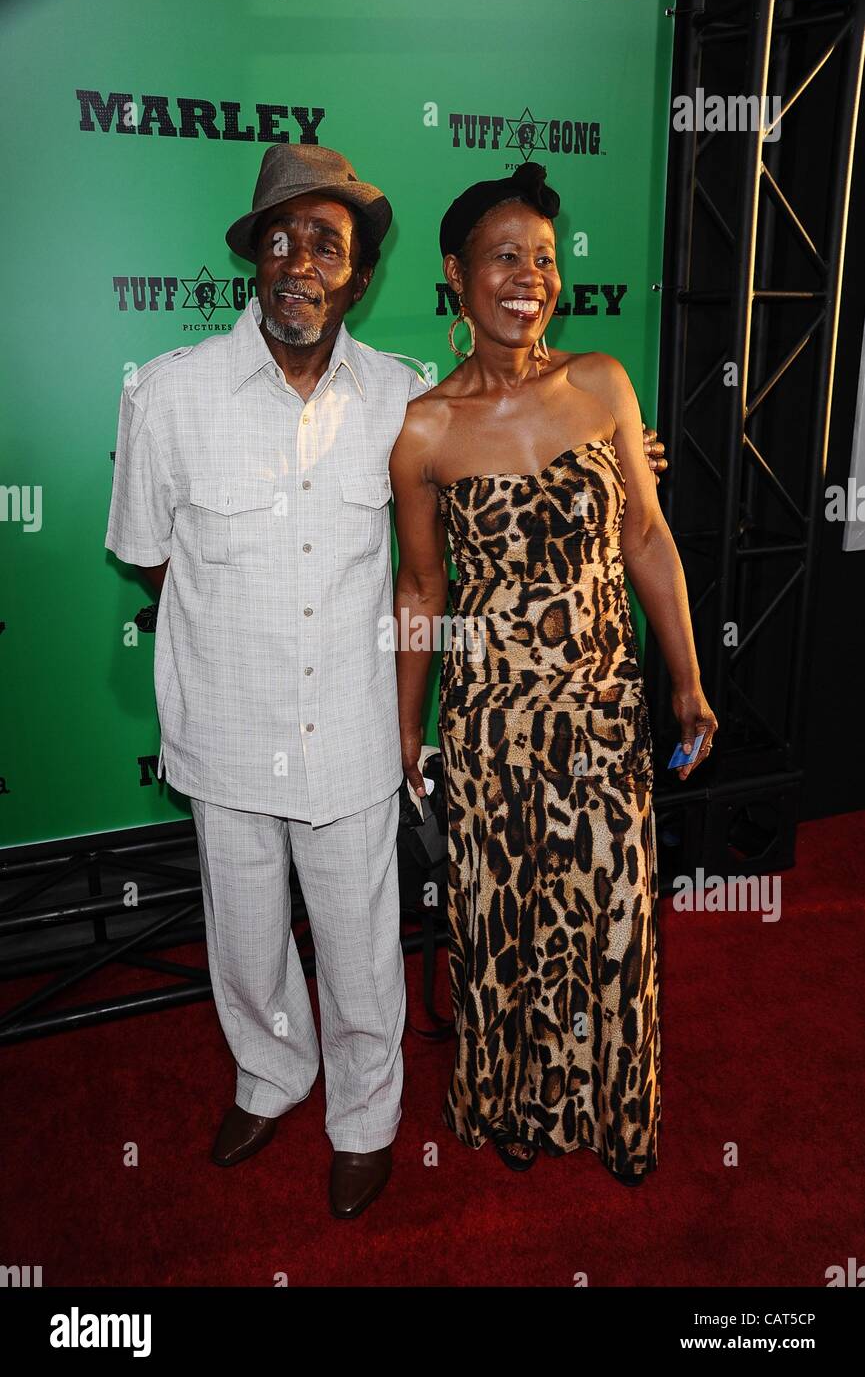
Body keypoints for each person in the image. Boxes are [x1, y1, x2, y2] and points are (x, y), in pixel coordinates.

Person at [105, 144, 668, 1219]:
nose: (301, 262)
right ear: (252, 259)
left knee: (364, 946)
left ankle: (363, 1120)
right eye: (281, 238)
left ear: (360, 276)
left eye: (328, 243)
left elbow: (506, 454)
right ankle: (270, 1077)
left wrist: (621, 450)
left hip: (357, 731)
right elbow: (146, 552)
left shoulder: (405, 401)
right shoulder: (167, 396)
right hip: (225, 723)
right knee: (245, 932)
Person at [391, 161, 717, 1184]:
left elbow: (649, 543)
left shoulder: (603, 382)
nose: (529, 274)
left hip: (602, 710)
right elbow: (421, 593)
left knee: (610, 911)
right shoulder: (424, 430)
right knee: (503, 920)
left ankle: (611, 1104)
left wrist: (688, 682)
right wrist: (409, 728)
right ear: (455, 275)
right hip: (489, 726)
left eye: (544, 256)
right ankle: (520, 1103)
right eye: (503, 256)